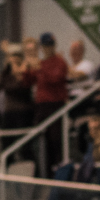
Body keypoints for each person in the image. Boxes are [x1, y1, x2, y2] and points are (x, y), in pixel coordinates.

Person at [33, 34, 70, 171]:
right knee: (41, 140)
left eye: (50, 45)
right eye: (45, 46)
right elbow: (28, 80)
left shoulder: (60, 62)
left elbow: (55, 78)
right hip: (41, 106)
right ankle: (45, 171)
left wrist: (39, 68)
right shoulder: (41, 64)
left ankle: (59, 170)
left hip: (55, 104)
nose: (47, 49)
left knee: (56, 140)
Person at [0, 44, 36, 132]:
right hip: (9, 112)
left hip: (24, 112)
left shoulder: (27, 71)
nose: (15, 58)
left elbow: (22, 86)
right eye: (13, 55)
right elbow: (2, 86)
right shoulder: (6, 73)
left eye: (17, 55)